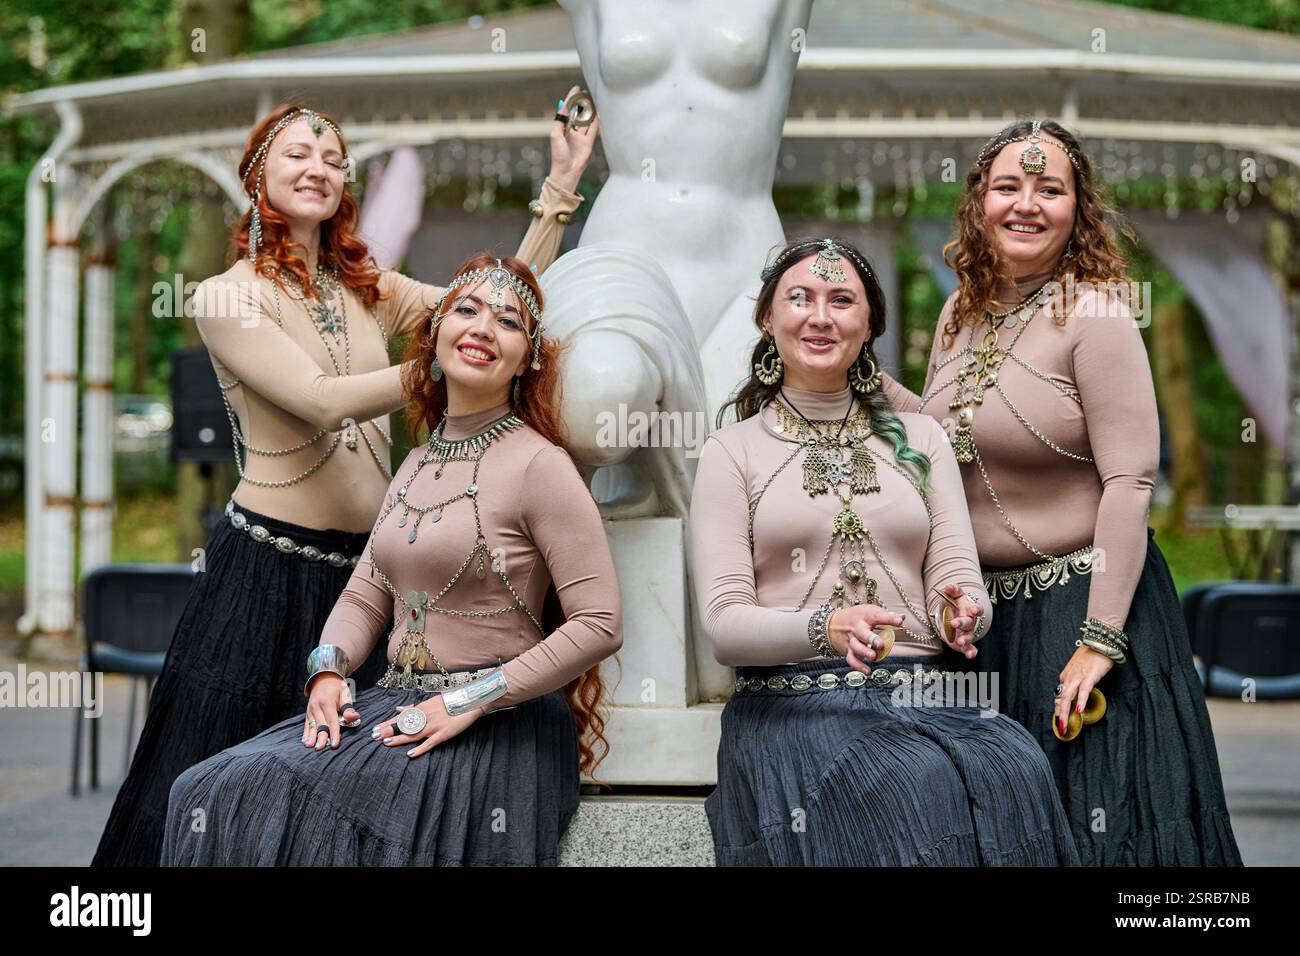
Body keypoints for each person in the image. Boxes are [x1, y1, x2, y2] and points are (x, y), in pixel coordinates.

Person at [92, 97, 597, 867]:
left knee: (334, 814)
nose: (319, 168)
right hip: (264, 575)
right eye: (298, 154)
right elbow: (320, 402)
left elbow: (497, 298)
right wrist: (451, 361)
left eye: (334, 160)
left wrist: (557, 193)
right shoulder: (229, 296)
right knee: (209, 787)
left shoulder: (364, 287)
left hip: (364, 589)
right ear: (257, 174)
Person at [161, 253, 621, 866]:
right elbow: (364, 592)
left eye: (509, 320)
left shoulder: (541, 465)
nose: (483, 327)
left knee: (262, 801)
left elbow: (599, 623)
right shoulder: (416, 461)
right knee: (207, 790)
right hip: (397, 705)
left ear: (530, 356)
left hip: (494, 728)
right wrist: (328, 670)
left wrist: (467, 701)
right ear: (433, 336)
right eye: (467, 309)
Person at [882, 120, 1241, 866]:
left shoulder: (1098, 317)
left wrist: (1099, 642)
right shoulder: (961, 313)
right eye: (1009, 185)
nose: (1027, 203)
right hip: (981, 624)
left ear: (1078, 209)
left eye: (1050, 189)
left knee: (1097, 839)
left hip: (1084, 613)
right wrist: (856, 376)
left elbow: (1131, 481)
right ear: (980, 200)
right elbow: (950, 439)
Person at [690, 236, 1079, 866]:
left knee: (1016, 763)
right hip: (794, 705)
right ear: (768, 317)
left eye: (842, 300)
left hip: (925, 695)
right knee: (911, 782)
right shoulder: (730, 451)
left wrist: (963, 610)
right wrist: (827, 629)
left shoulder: (922, 438)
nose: (821, 316)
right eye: (801, 298)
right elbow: (725, 626)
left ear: (869, 324)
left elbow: (955, 571)